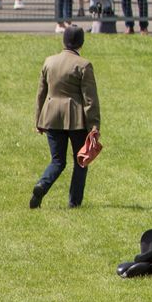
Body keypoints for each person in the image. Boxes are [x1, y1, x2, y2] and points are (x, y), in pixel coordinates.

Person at [31, 25, 100, 208]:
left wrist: (38, 120)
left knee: (57, 161)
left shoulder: (49, 62)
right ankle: (74, 202)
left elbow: (40, 94)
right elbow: (90, 99)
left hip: (51, 117)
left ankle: (42, 185)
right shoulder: (83, 65)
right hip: (76, 120)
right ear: (81, 43)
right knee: (81, 161)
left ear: (64, 41)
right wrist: (94, 126)